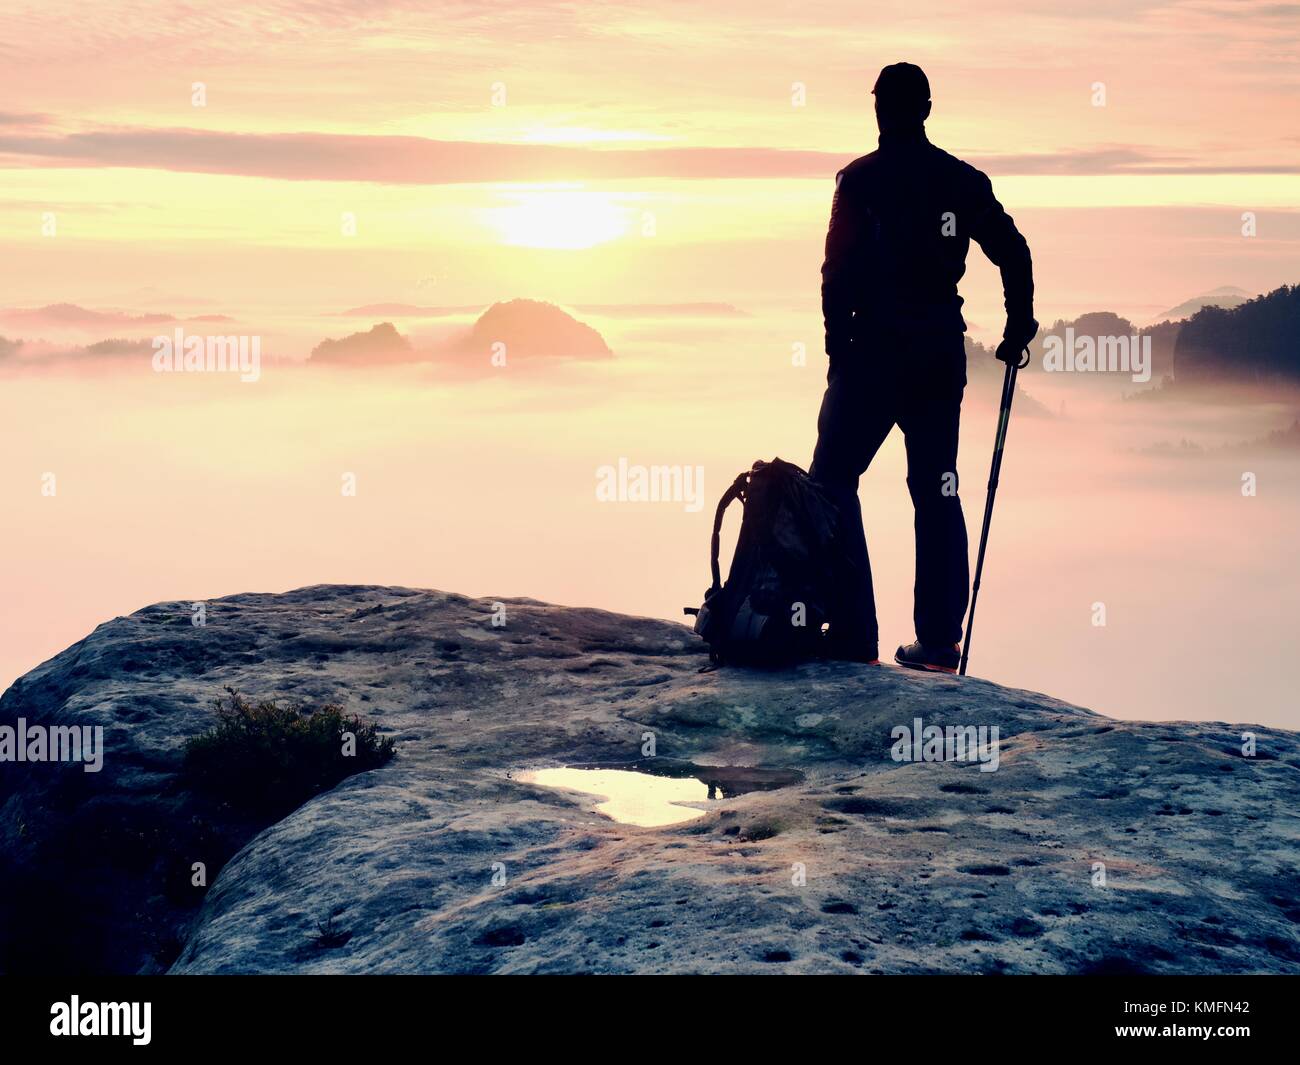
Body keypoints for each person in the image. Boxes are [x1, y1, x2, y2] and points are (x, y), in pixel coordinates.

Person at [810, 61, 1037, 673]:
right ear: (927, 110)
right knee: (936, 488)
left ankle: (853, 631)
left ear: (880, 109)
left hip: (871, 356)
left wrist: (838, 353)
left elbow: (835, 274)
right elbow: (1013, 251)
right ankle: (937, 643)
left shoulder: (859, 182)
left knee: (831, 481)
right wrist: (1019, 325)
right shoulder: (960, 182)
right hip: (936, 354)